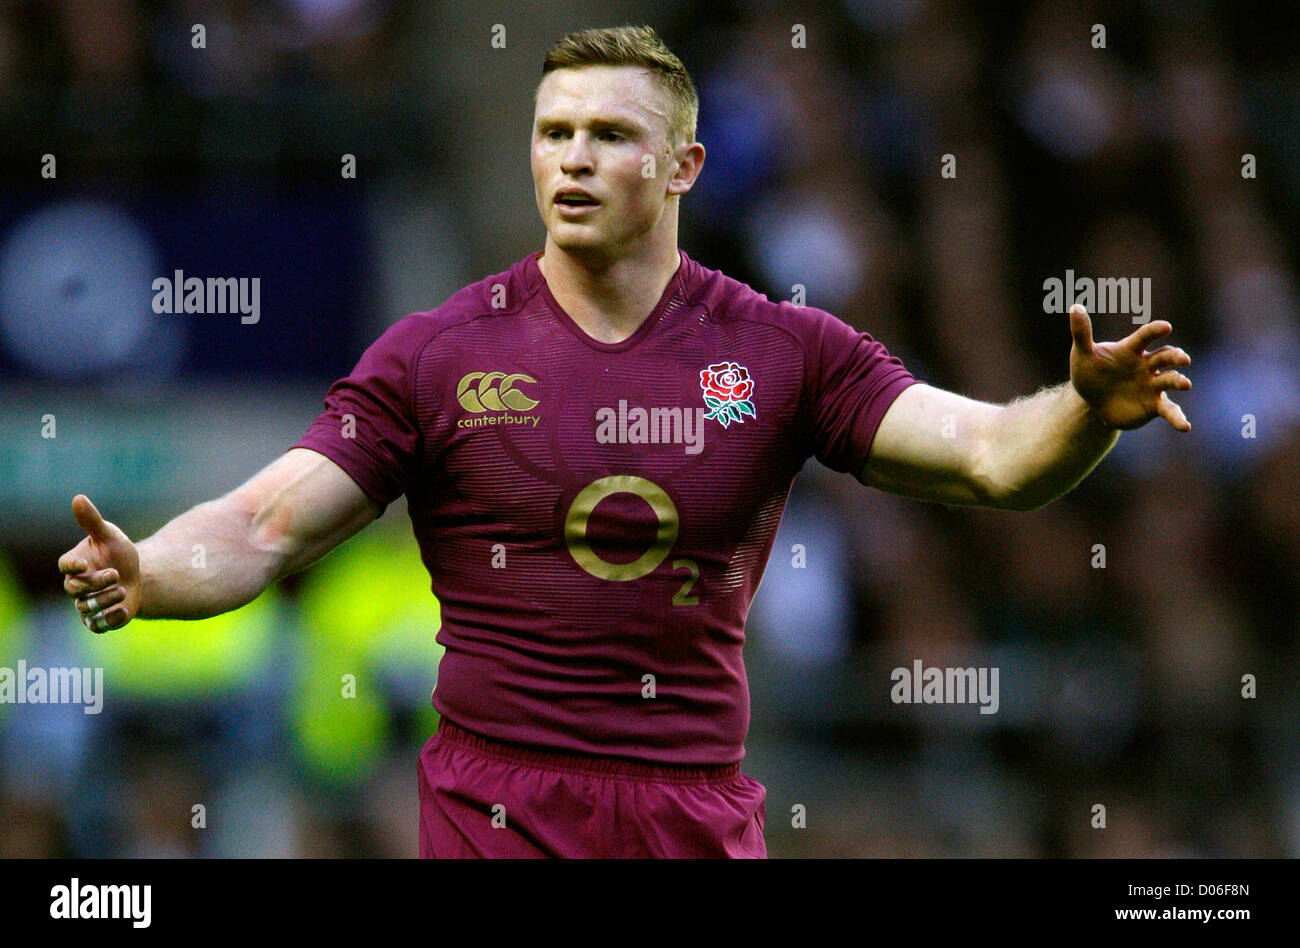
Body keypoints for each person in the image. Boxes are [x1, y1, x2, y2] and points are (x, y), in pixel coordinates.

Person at [57, 25, 1192, 858]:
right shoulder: (437, 355)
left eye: (609, 135)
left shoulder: (786, 352)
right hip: (493, 812)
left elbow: (994, 456)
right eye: (553, 134)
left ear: (685, 166)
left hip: (689, 813)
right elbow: (261, 524)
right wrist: (150, 570)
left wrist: (1084, 410)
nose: (574, 159)